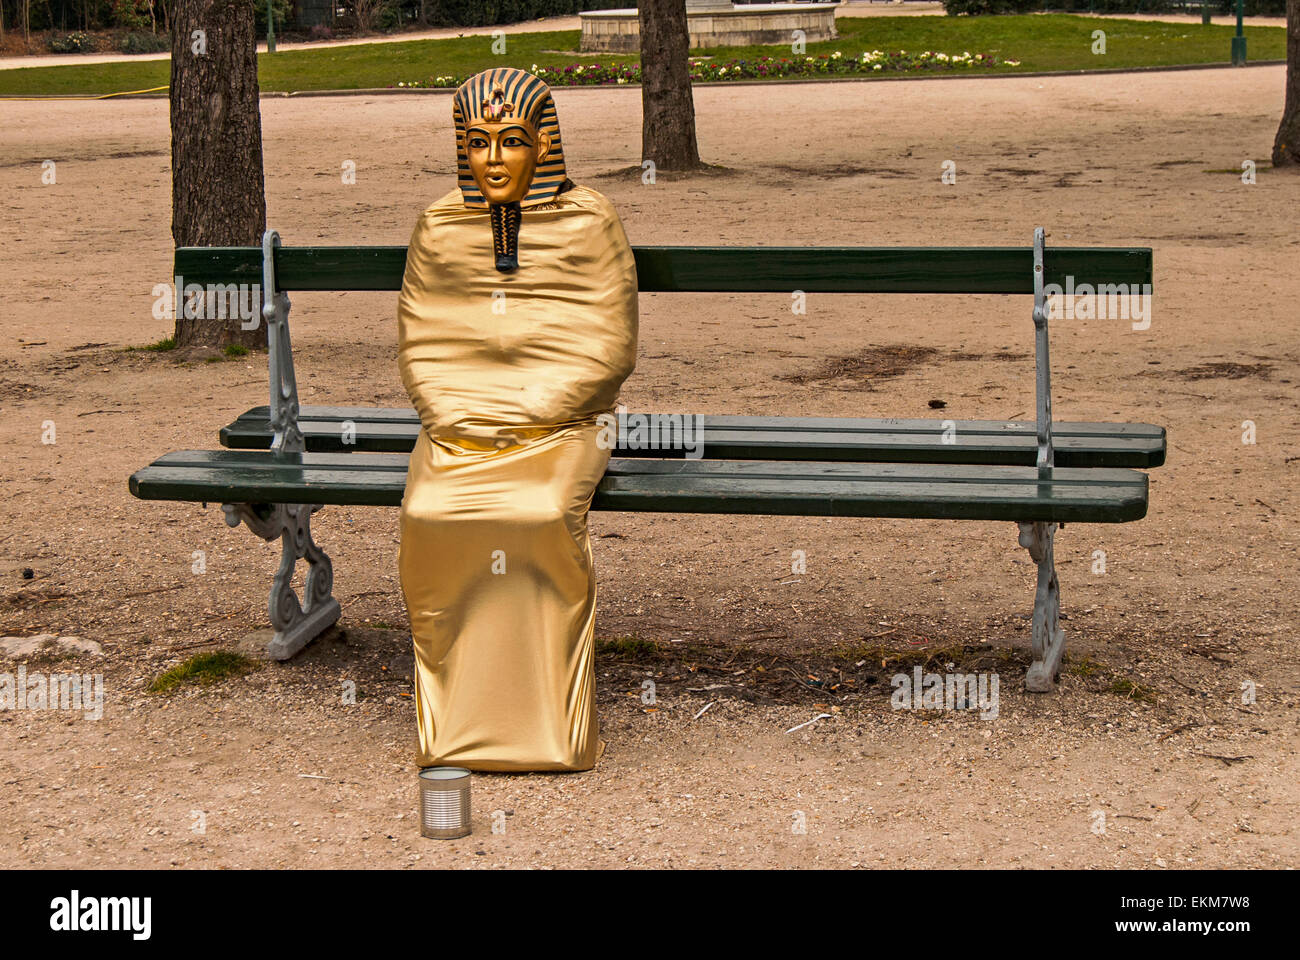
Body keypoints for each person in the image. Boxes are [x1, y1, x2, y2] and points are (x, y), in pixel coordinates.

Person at [397, 67, 639, 772]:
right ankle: (458, 728)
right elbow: (420, 342)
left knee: (540, 513)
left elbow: (610, 345)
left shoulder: (590, 221)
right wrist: (458, 413)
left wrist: (528, 413)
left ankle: (548, 728)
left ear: (544, 145)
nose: (495, 160)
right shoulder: (440, 227)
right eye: (478, 143)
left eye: (512, 141)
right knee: (430, 512)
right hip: (460, 429)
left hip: (564, 426)